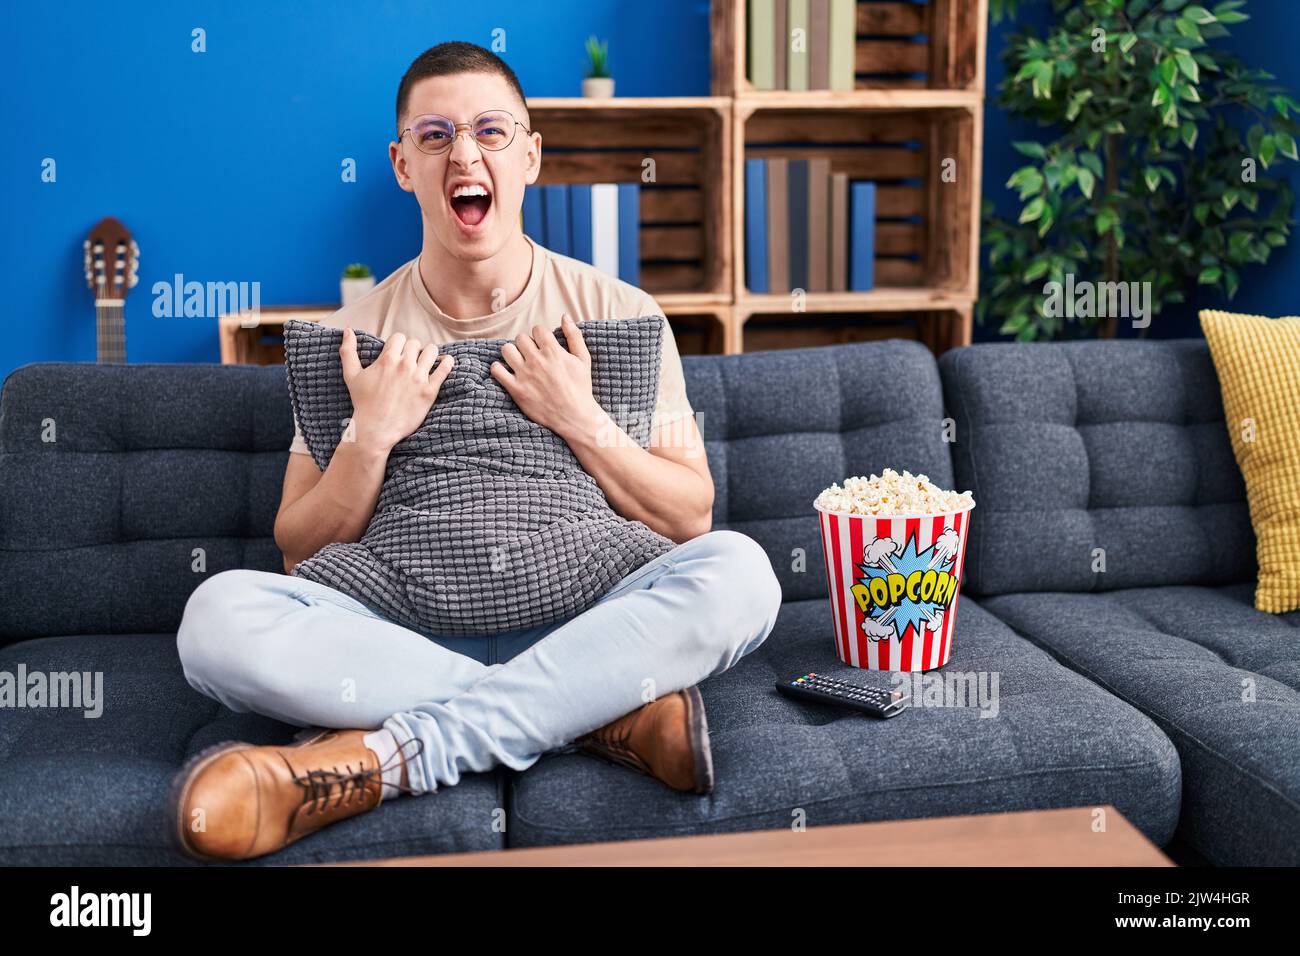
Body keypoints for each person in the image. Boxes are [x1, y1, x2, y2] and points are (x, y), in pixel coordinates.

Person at [168, 41, 782, 862]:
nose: (465, 153)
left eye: (492, 131)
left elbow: (690, 515)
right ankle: (596, 715)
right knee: (214, 622)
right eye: (435, 135)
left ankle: (387, 758)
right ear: (401, 164)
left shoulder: (619, 311)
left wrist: (581, 418)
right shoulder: (353, 337)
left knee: (742, 573)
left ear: (529, 155)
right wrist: (370, 434)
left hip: (587, 618)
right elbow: (298, 549)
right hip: (403, 636)